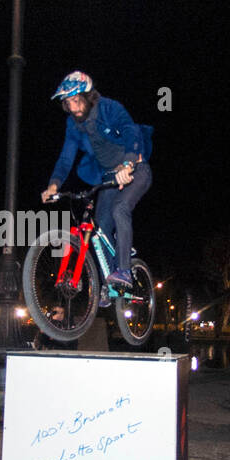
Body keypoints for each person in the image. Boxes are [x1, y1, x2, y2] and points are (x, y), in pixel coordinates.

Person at [41, 71, 151, 306]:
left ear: (87, 97)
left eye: (76, 100)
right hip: (109, 177)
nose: (73, 108)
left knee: (120, 209)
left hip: (136, 170)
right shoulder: (73, 125)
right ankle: (110, 285)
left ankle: (124, 271)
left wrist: (128, 164)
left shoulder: (110, 108)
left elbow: (131, 131)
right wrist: (53, 185)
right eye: (68, 103)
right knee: (100, 229)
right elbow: (65, 158)